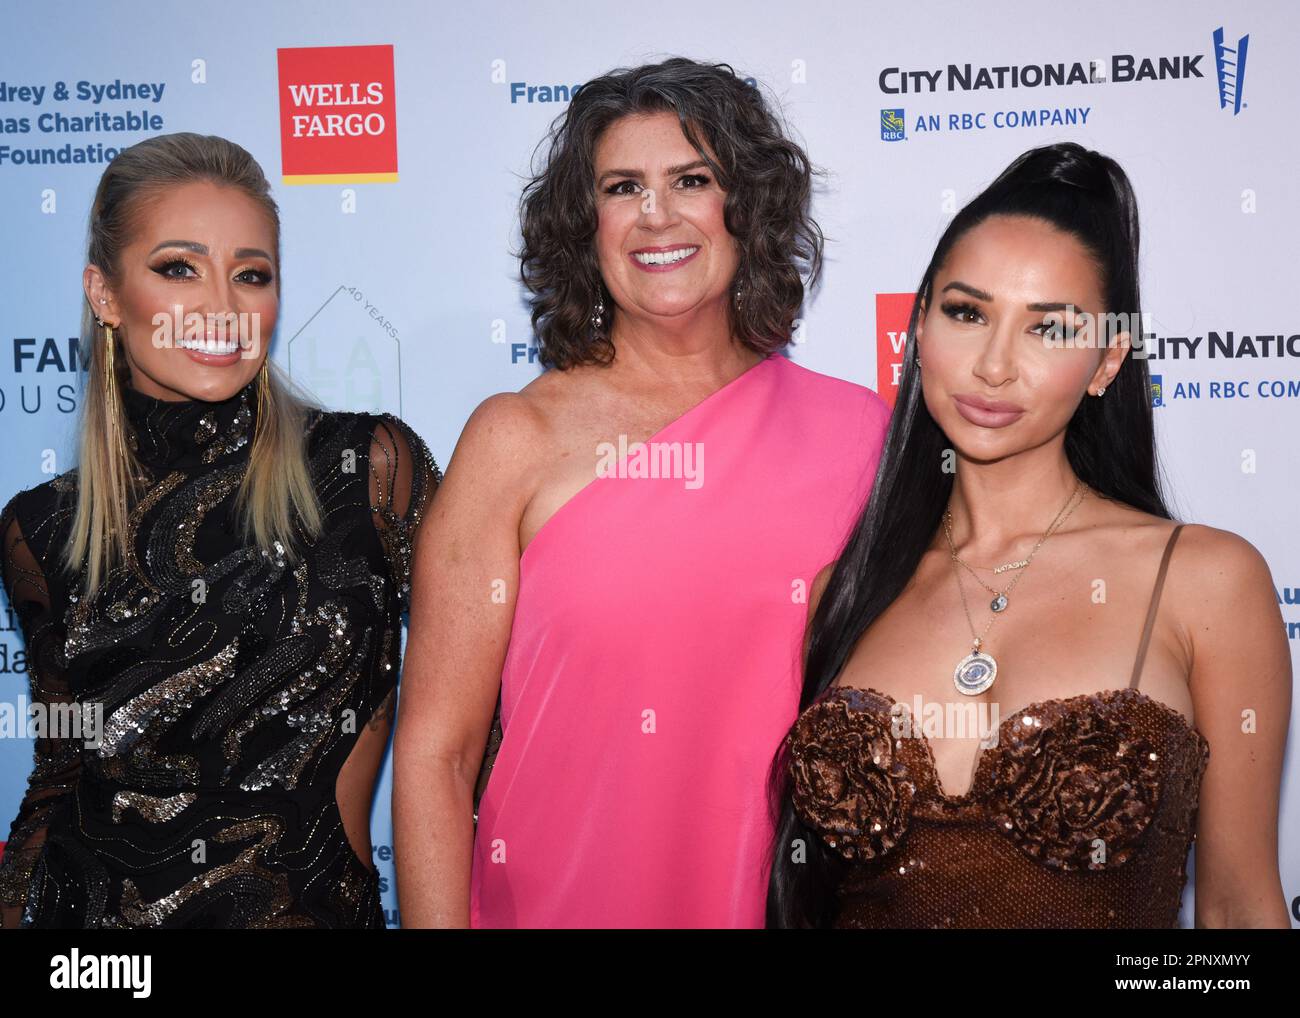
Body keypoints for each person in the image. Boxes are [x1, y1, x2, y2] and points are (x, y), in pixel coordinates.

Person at [393, 57, 890, 928]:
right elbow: (438, 752)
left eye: (691, 180)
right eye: (624, 187)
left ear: (748, 209)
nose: (657, 215)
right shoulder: (516, 438)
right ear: (587, 226)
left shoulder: (861, 436)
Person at [767, 142, 1291, 929]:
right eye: (967, 313)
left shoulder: (1204, 581)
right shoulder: (842, 593)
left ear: (1107, 361)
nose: (994, 367)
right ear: (918, 328)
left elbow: (1237, 910)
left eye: (1050, 330)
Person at [0, 132, 439, 928]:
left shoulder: (364, 469)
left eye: (250, 274)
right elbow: (59, 778)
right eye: (179, 268)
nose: (222, 308)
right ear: (104, 294)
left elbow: (470, 737)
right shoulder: (43, 528)